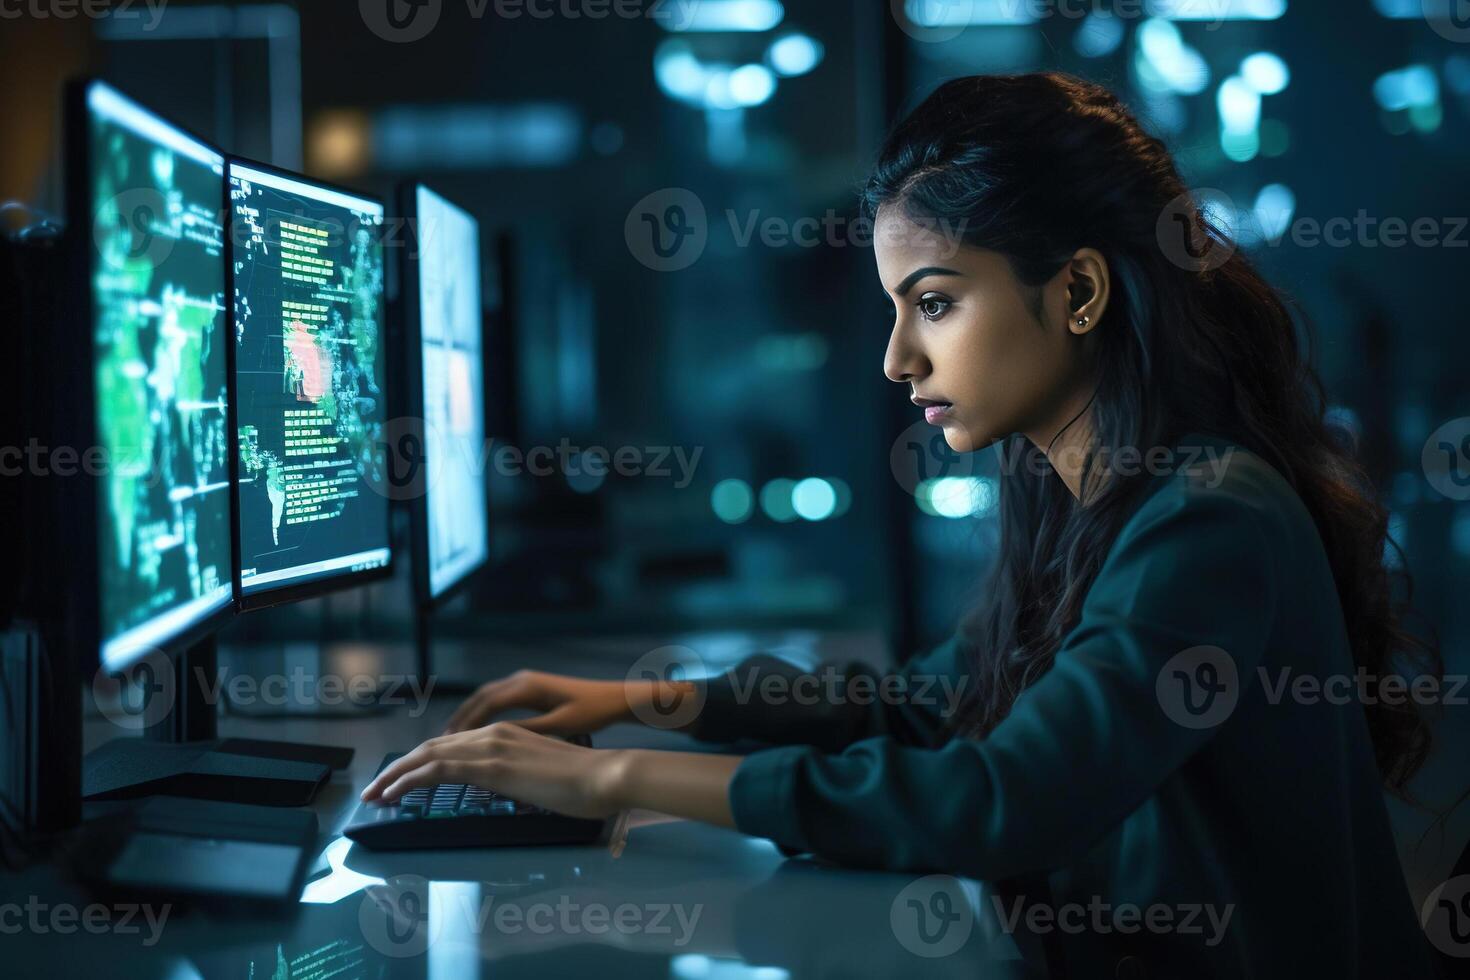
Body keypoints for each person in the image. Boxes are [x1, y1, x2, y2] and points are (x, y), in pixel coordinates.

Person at [362, 72, 1439, 976]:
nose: (896, 359)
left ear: (1076, 292)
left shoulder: (1207, 519)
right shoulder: (1085, 496)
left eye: (933, 302)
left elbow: (1000, 798)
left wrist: (607, 776)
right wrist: (641, 699)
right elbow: (929, 707)